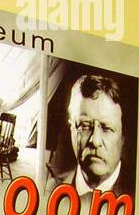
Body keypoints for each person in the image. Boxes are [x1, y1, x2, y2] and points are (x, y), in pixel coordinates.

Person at [45, 72, 129, 201]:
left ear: (123, 137)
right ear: (71, 128)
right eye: (84, 126)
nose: (94, 141)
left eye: (106, 128)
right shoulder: (50, 190)